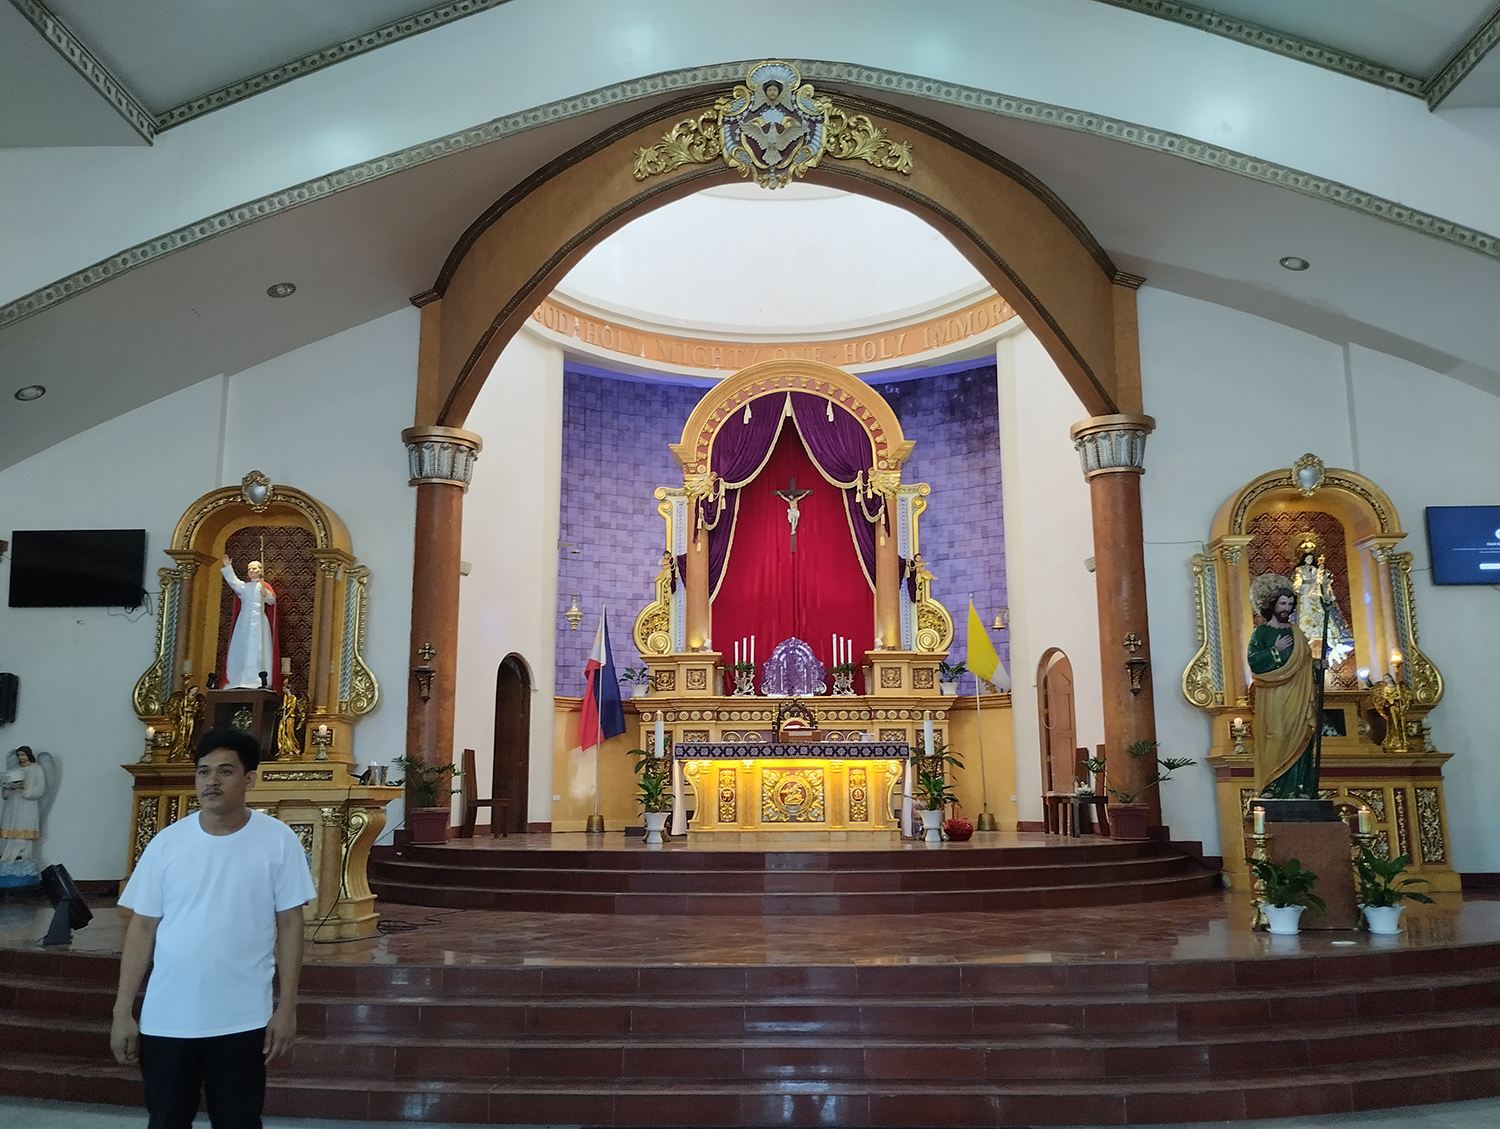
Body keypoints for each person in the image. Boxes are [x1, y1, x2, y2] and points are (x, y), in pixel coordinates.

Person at [111, 728, 314, 1129]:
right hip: (168, 1018)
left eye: (225, 771)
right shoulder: (167, 844)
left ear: (249, 779)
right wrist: (122, 1010)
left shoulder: (278, 841)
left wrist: (287, 1007)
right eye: (203, 772)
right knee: (166, 1120)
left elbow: (291, 925)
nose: (212, 782)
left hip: (242, 1017)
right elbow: (142, 928)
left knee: (238, 1120)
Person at [1248, 583, 1324, 798]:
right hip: (1274, 693)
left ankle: (1298, 787)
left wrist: (1317, 667)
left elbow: (1305, 662)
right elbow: (1254, 661)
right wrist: (1275, 650)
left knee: (1300, 734)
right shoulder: (1261, 632)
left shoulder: (1297, 632)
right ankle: (1271, 784)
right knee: (1278, 735)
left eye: (1290, 604)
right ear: (1273, 605)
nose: (1287, 608)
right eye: (1283, 603)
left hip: (1298, 693)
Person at [220, 556, 280, 690]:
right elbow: (233, 582)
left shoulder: (263, 586)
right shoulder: (244, 587)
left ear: (260, 570)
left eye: (254, 568)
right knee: (240, 648)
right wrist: (228, 567)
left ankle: (259, 678)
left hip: (259, 621)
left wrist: (267, 594)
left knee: (258, 648)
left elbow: (272, 601)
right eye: (249, 569)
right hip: (244, 621)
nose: (251, 571)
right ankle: (238, 678)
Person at [1291, 542, 1354, 667]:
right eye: (1307, 558)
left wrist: (1322, 574)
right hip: (1305, 597)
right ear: (1303, 559)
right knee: (1305, 617)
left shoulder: (1316, 569)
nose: (1309, 560)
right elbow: (1297, 583)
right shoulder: (1299, 570)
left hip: (1317, 595)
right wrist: (1302, 585)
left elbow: (1322, 582)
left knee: (1323, 616)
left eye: (1311, 558)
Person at [0, 746, 45, 865]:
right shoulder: (15, 769)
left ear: (28, 755)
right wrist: (8, 787)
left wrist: (25, 788)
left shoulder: (36, 769)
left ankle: (22, 856)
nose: (21, 758)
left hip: (27, 806)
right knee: (10, 834)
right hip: (13, 804)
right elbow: (5, 791)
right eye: (19, 755)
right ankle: (8, 856)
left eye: (23, 755)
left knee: (22, 834)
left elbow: (40, 788)